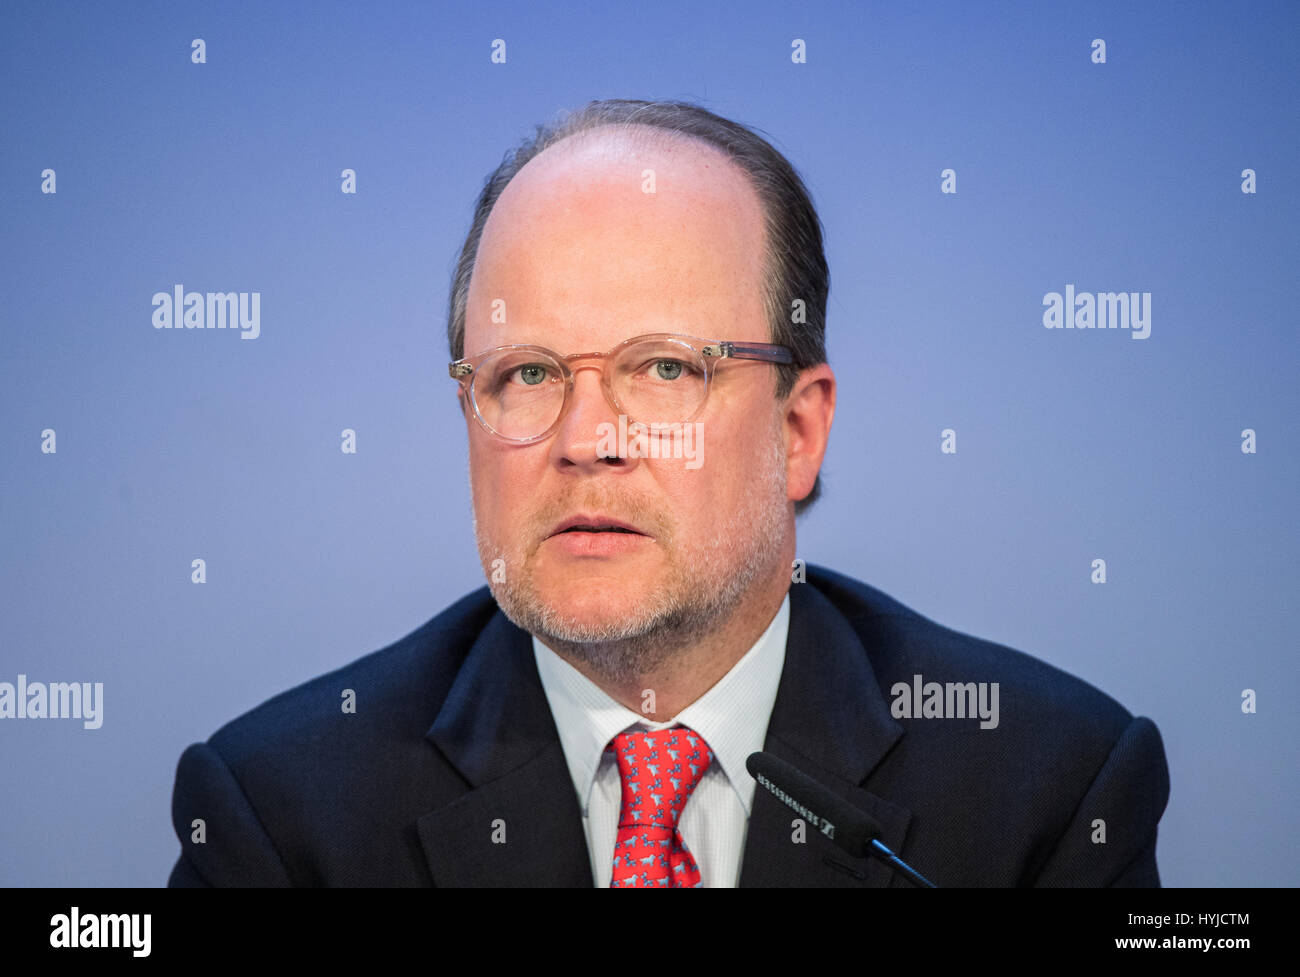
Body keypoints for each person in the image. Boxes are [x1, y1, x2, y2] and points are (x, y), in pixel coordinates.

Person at [167, 99, 1170, 887]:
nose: (586, 440)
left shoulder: (1045, 785)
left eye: (663, 369)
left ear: (796, 429)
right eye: (525, 374)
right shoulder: (281, 811)